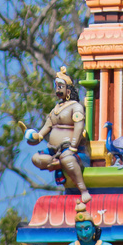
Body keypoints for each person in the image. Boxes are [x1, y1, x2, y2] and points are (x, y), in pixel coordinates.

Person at [25, 66, 91, 204]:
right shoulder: (55, 109)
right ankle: (59, 164)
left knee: (68, 160)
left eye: (60, 86)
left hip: (71, 149)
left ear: (68, 89)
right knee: (36, 158)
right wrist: (34, 138)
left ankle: (83, 190)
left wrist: (73, 146)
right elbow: (44, 130)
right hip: (54, 151)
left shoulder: (76, 107)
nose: (57, 90)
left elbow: (79, 127)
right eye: (56, 86)